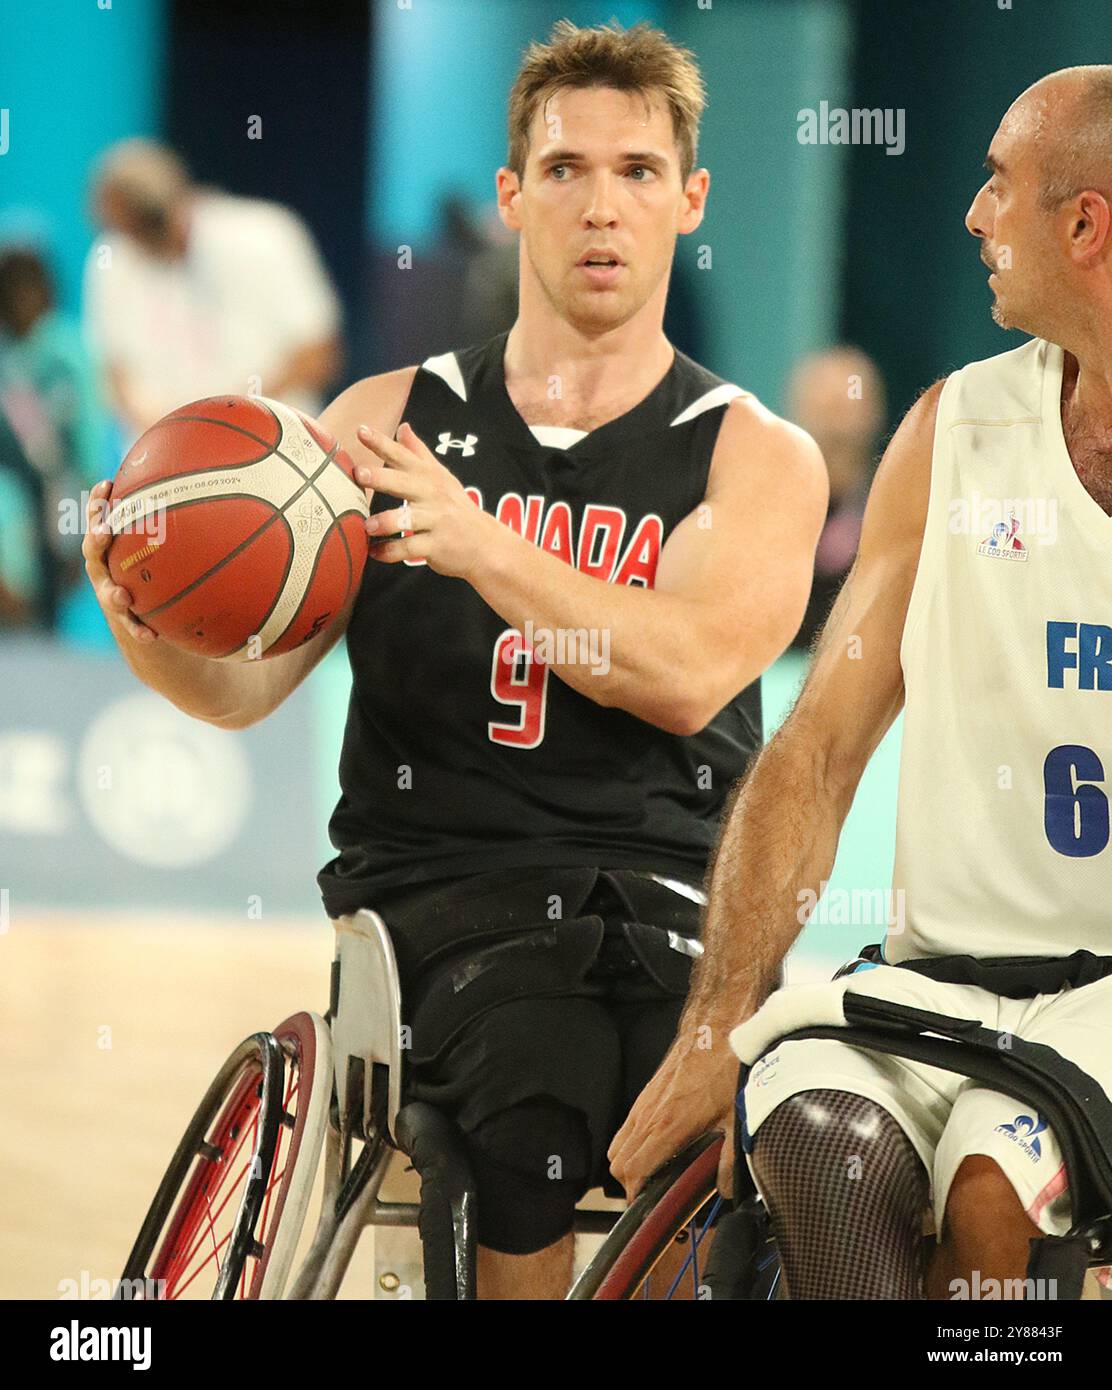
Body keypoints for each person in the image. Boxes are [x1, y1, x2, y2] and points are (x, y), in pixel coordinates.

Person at [81, 20, 827, 1299]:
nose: (601, 207)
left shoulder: (755, 455)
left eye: (638, 172)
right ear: (510, 195)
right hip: (442, 896)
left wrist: (481, 543)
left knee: (762, 1134)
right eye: (565, 170)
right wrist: (137, 611)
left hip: (673, 907)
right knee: (530, 1097)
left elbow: (685, 671)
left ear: (688, 198)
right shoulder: (377, 427)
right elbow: (247, 687)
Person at [611, 66, 1112, 1301]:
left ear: (1085, 224)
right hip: (933, 985)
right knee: (817, 1150)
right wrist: (710, 1024)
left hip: (1104, 1007)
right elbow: (819, 747)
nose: (970, 214)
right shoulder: (951, 431)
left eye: (997, 182)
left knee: (993, 1202)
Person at [82, 140, 341, 438]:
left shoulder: (265, 236)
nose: (138, 243)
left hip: (272, 451)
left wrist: (229, 418)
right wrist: (165, 427)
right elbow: (113, 370)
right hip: (167, 462)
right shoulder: (112, 258)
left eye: (146, 226)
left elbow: (319, 354)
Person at [0, 247, 108, 630]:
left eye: (30, 285)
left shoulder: (68, 353)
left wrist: (80, 533)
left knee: (45, 615)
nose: (20, 297)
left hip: (58, 495)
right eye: (10, 286)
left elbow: (87, 448)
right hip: (10, 494)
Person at [785, 347, 884, 651]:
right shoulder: (763, 510)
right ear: (796, 408)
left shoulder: (898, 509)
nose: (836, 411)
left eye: (849, 400)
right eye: (825, 402)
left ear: (876, 411)